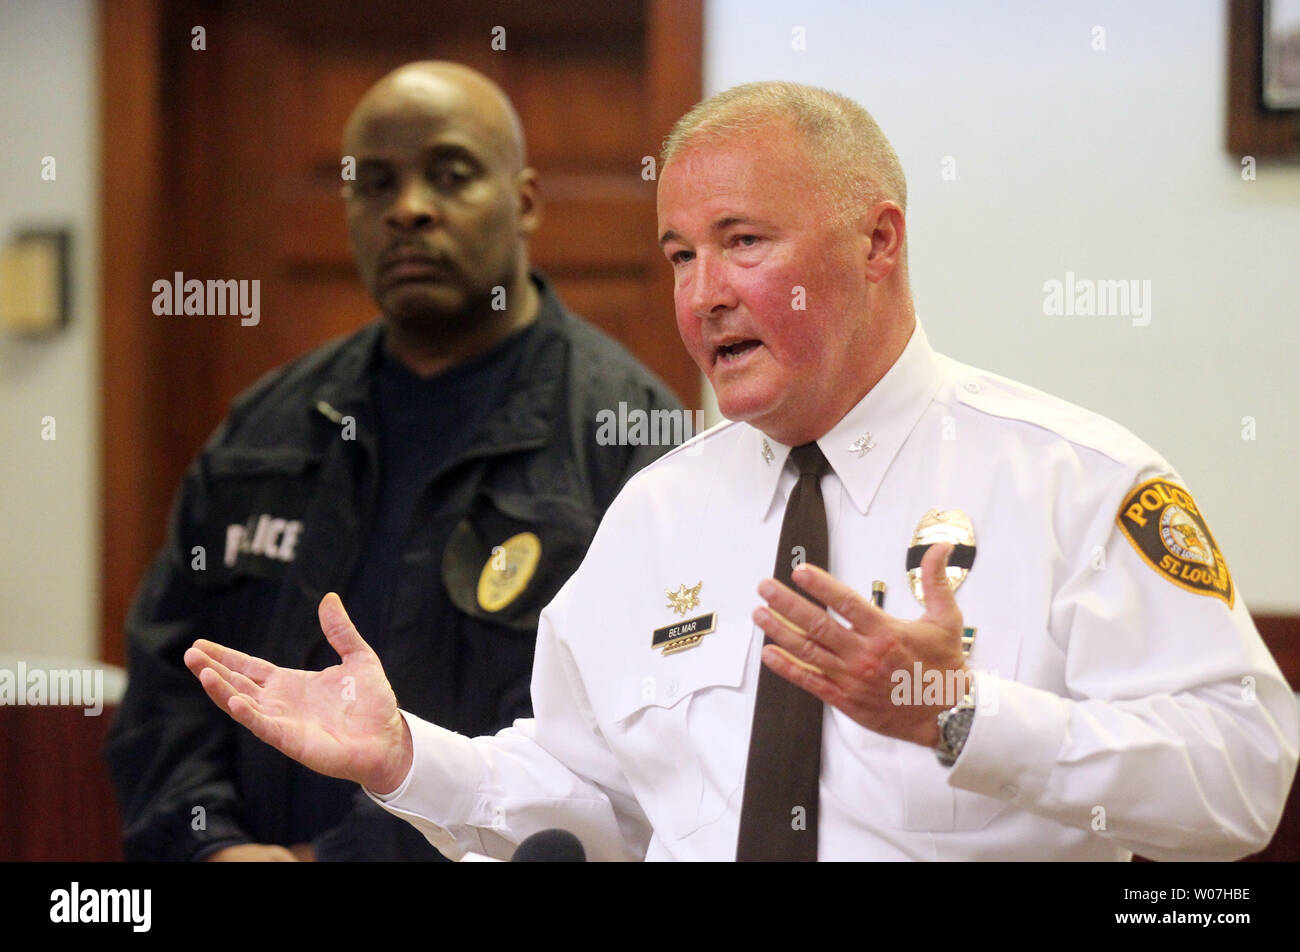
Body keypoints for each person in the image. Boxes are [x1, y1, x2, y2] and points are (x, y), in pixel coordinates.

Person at [183, 81, 1298, 861]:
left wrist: (962, 713)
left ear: (877, 243)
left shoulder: (1075, 483)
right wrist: (403, 758)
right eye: (679, 254)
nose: (701, 292)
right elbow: (595, 798)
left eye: (743, 242)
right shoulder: (659, 511)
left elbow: (1243, 775)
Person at [104, 62, 682, 862]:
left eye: (449, 176)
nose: (408, 210)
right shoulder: (267, 427)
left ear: (524, 201)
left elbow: (612, 740)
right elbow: (172, 677)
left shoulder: (624, 434)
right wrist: (209, 846)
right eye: (374, 184)